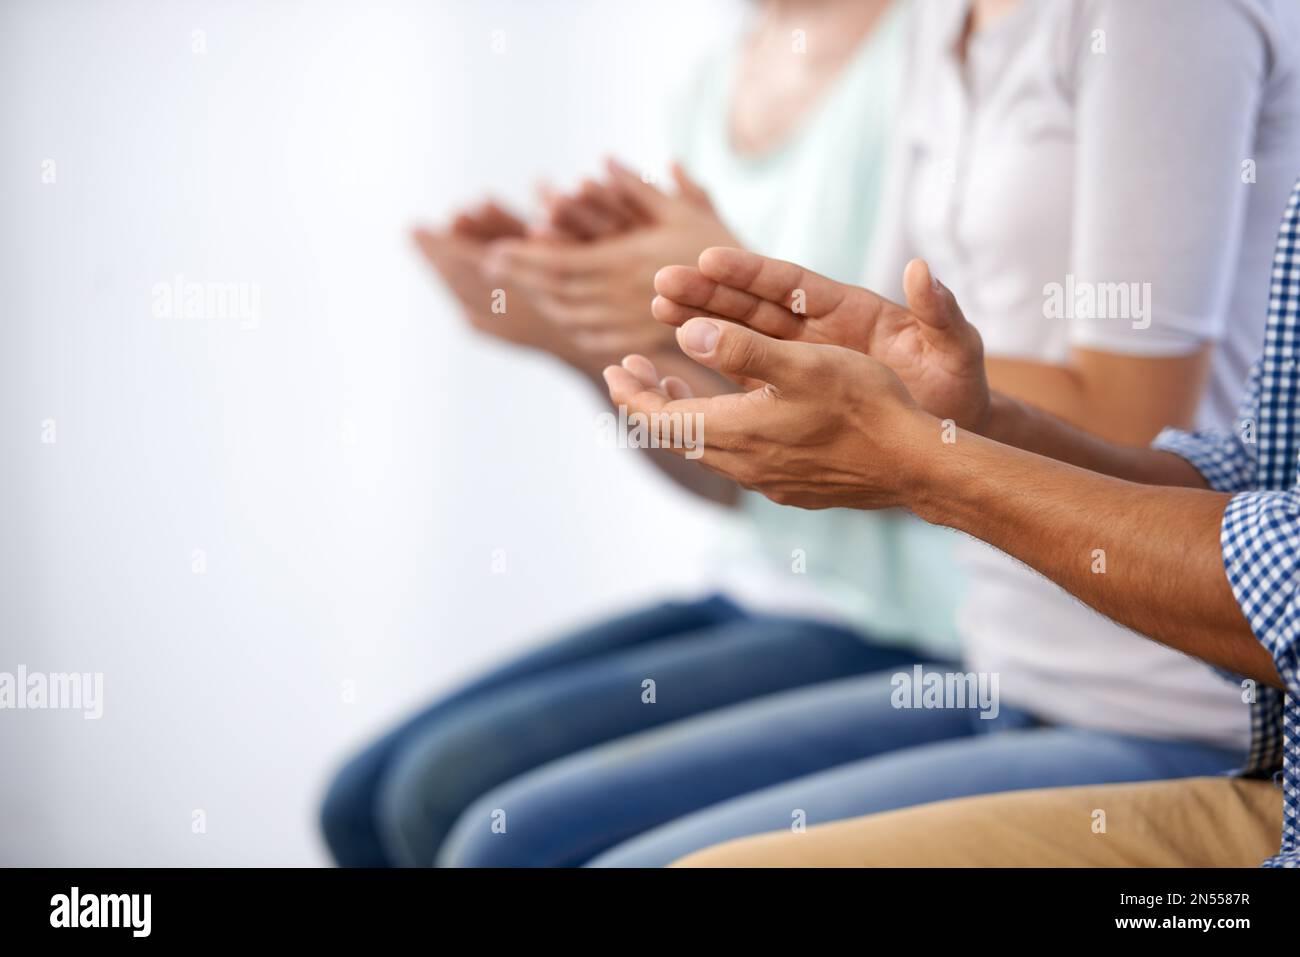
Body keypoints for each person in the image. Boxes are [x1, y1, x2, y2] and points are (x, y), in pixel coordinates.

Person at [431, 0, 1300, 868]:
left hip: (1161, 702)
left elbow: (1142, 425)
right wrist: (628, 332)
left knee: (502, 833)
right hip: (1015, 665)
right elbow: (901, 353)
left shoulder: (1161, 20)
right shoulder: (939, 23)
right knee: (469, 822)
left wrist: (921, 448)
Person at [319, 0, 962, 868]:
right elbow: (734, 478)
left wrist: (745, 310)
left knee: (451, 803)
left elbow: (940, 423)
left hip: (921, 627)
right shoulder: (715, 84)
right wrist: (588, 341)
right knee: (359, 801)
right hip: (761, 589)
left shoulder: (930, 52)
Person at [612, 176, 1300, 868]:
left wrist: (924, 466)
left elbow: (1281, 589)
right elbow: (1253, 488)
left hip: (1150, 724)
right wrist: (971, 426)